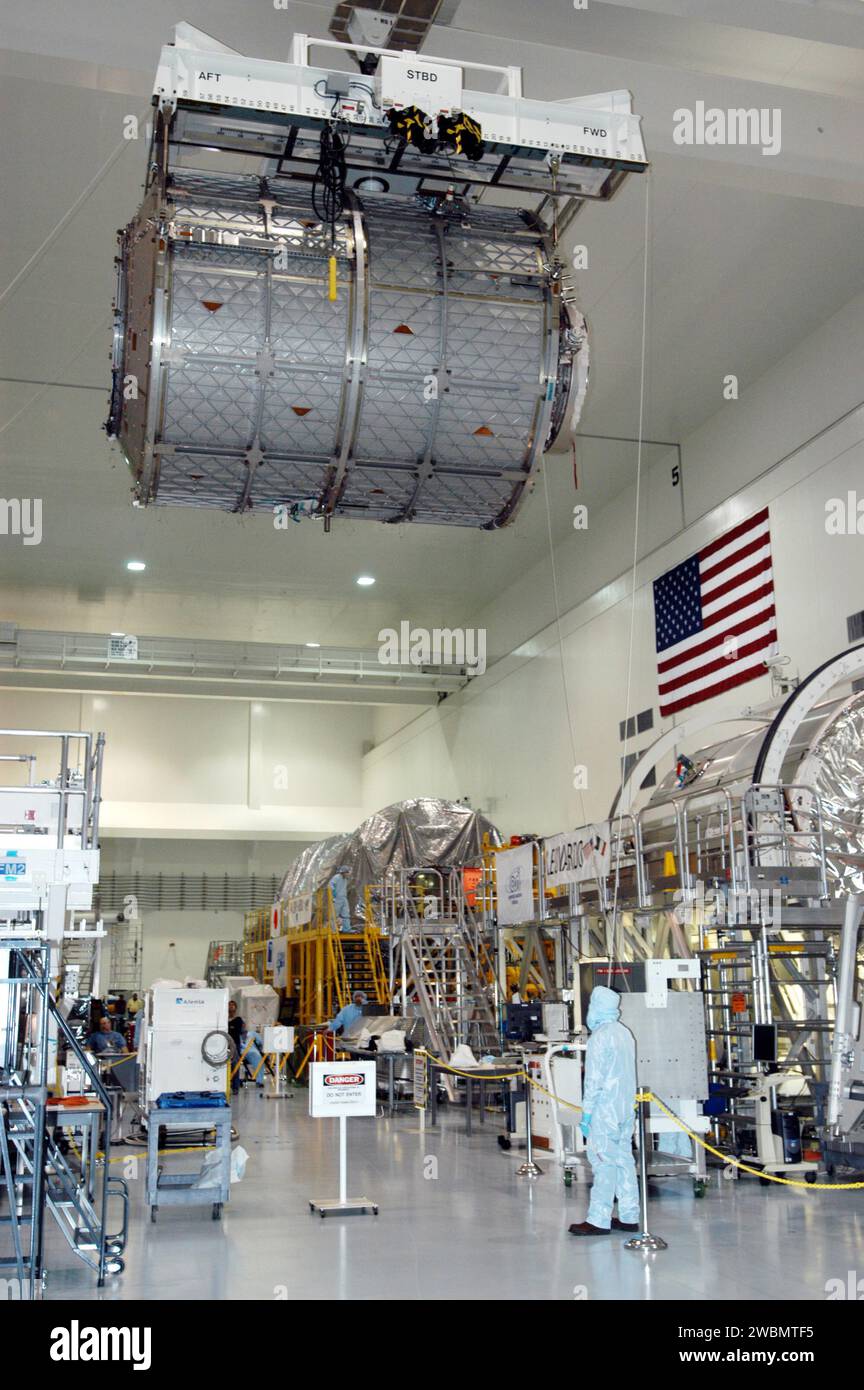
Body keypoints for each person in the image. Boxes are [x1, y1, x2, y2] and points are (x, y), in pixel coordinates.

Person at [569, 985, 640, 1237]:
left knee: (603, 1163)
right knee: (624, 1161)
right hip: (625, 1110)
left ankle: (598, 1219)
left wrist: (587, 1114)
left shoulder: (600, 1037)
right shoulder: (624, 1033)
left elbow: (594, 1081)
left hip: (605, 1111)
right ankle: (630, 1215)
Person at [329, 867, 351, 932]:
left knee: (346, 914)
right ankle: (333, 930)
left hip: (344, 898)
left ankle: (347, 929)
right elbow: (330, 886)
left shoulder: (345, 880)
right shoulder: (336, 877)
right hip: (337, 899)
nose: (348, 874)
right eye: (347, 873)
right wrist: (333, 896)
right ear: (343, 872)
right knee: (334, 915)